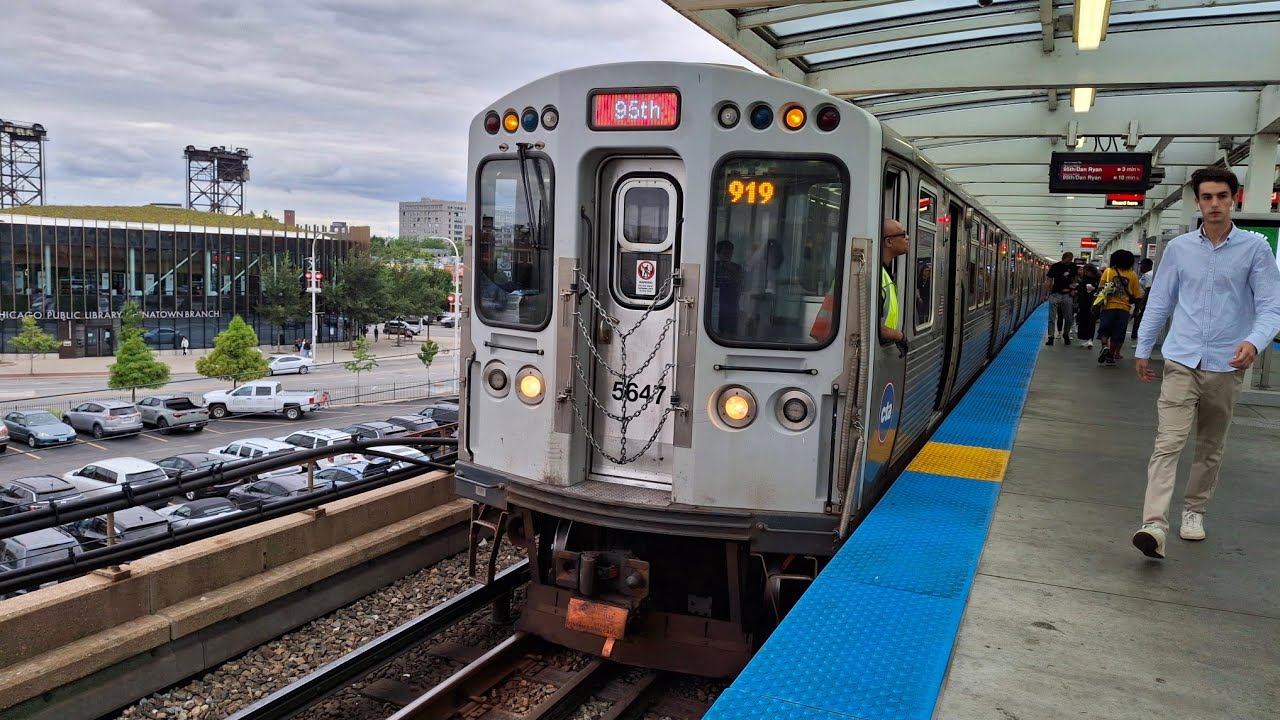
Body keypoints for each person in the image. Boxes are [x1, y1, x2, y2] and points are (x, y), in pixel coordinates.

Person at [1130, 166, 1280, 559]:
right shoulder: (1179, 249)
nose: (1214, 204)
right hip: (1181, 359)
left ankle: (1194, 511)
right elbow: (1160, 300)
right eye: (1207, 197)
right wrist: (1143, 348)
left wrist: (1254, 341)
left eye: (1222, 197)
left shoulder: (1256, 249)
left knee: (1210, 445)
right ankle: (1154, 525)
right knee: (1168, 443)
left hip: (1227, 364)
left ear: (1234, 199)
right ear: (1198, 201)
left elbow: (1270, 306)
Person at [1095, 250, 1142, 367]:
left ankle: (1105, 346)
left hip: (1108, 306)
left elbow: (1100, 288)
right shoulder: (1133, 275)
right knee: (1118, 333)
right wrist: (1137, 309)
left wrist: (1096, 303)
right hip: (1124, 309)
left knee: (1105, 329)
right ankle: (1110, 356)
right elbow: (1137, 295)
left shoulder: (1108, 271)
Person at [879, 219, 910, 354]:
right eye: (903, 234)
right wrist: (900, 336)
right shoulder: (877, 277)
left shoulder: (884, 273)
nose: (907, 237)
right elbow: (874, 326)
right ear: (888, 242)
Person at [1042, 252, 1077, 345]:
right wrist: (1044, 294)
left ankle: (1066, 334)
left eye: (1071, 260)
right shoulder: (1055, 267)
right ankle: (1051, 337)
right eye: (1068, 260)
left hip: (1067, 294)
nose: (1070, 262)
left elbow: (1075, 279)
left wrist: (1074, 288)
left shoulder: (1073, 266)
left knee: (1069, 318)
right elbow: (1049, 281)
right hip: (1055, 294)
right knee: (1051, 317)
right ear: (1064, 258)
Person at [712, 240, 743, 336]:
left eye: (730, 253)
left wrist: (732, 270)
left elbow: (741, 283)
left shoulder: (737, 267)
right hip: (716, 300)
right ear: (718, 253)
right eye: (724, 253)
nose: (727, 256)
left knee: (731, 328)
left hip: (731, 301)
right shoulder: (713, 266)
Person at [1074, 263, 1101, 350]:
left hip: (1093, 302)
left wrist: (1094, 289)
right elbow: (1080, 289)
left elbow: (1100, 290)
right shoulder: (1085, 279)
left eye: (1087, 272)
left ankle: (1090, 339)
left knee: (1091, 320)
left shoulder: (1098, 279)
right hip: (1083, 302)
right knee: (1084, 320)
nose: (1085, 274)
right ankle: (1086, 338)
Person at [1130, 258, 1154, 339]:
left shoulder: (1148, 275)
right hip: (1142, 301)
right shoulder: (1147, 274)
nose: (1140, 268)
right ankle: (1135, 336)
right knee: (1137, 319)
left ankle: (1137, 337)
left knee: (1140, 320)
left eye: (1141, 265)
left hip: (1144, 301)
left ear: (1146, 266)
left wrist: (1142, 303)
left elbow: (1148, 289)